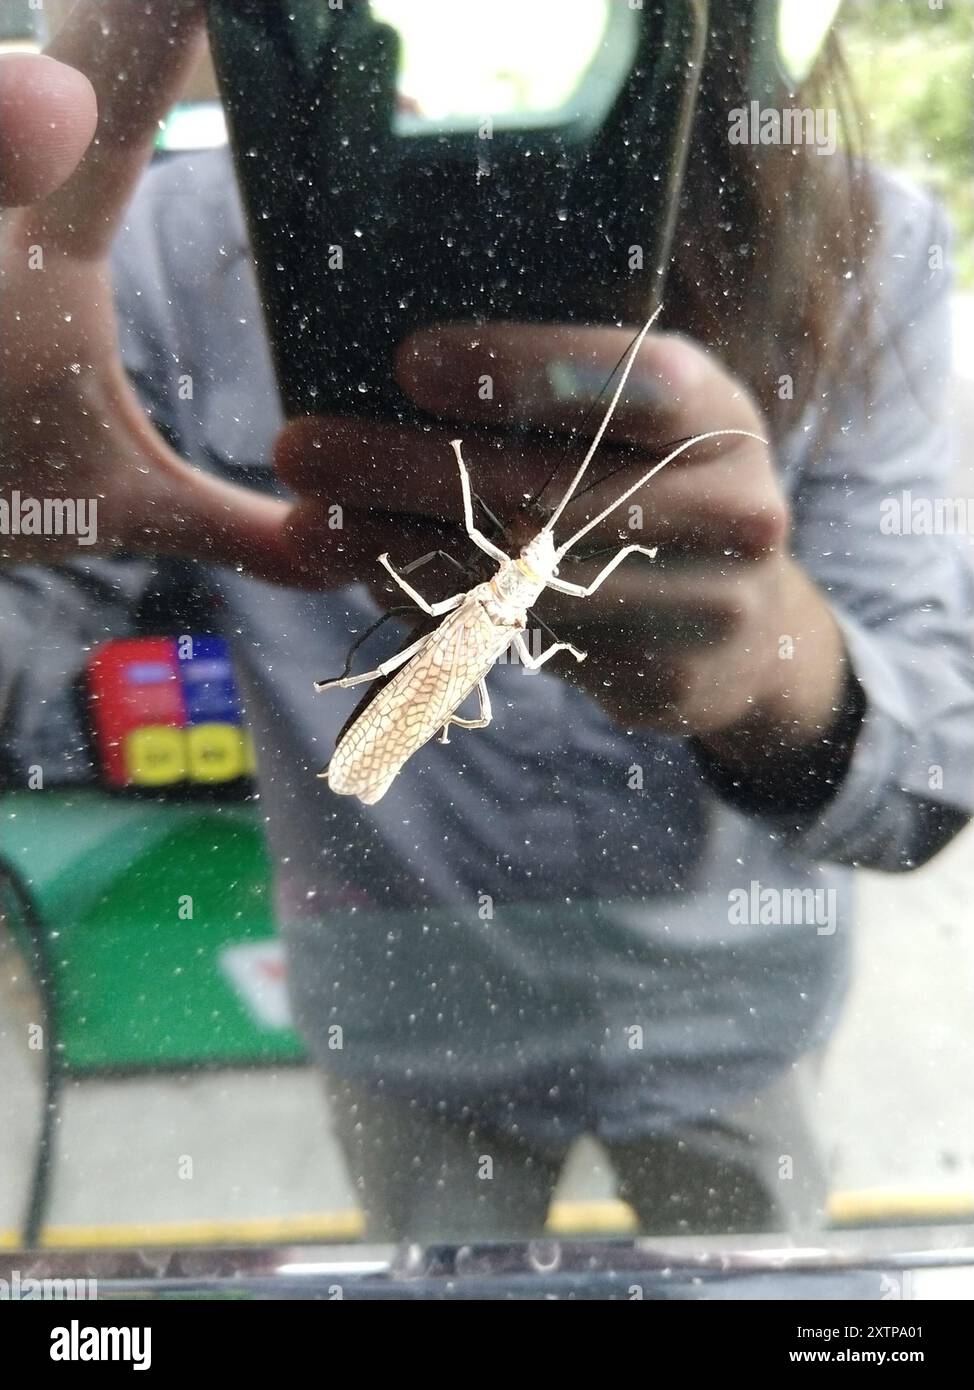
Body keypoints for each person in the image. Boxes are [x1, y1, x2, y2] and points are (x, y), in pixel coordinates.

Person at [2, 2, 972, 1240]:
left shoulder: (873, 239)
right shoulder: (150, 259)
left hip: (727, 1018)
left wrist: (770, 664)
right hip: (401, 1019)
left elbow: (928, 769)